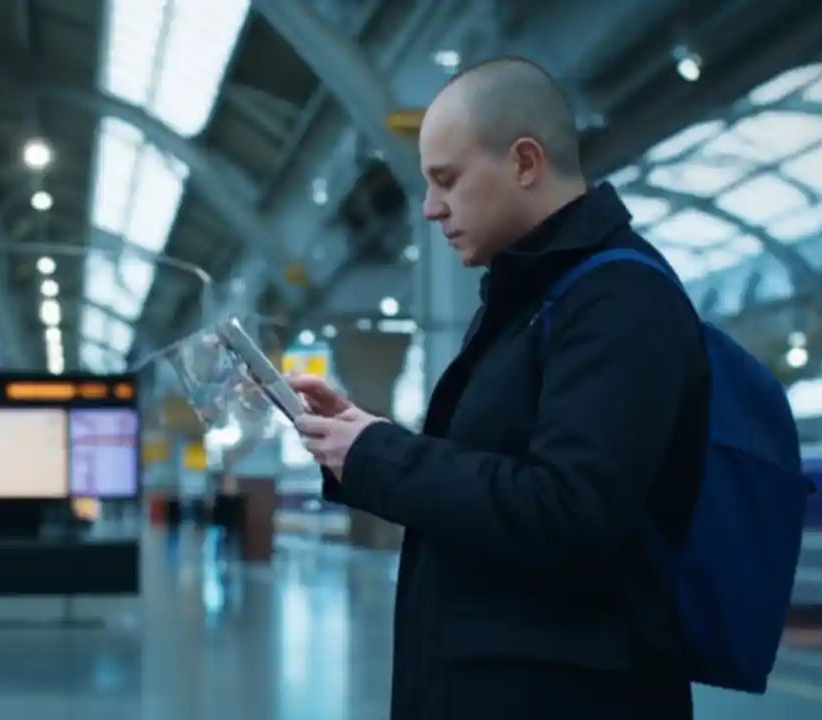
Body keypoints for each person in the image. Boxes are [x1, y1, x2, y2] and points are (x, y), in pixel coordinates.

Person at [290, 56, 710, 719]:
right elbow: (487, 482)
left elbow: (567, 511)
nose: (430, 208)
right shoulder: (532, 303)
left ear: (524, 162)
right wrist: (361, 440)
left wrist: (380, 454)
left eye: (447, 180)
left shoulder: (620, 299)